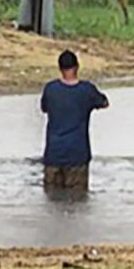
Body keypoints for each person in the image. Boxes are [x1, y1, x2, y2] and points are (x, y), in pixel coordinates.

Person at [40, 50, 109, 193]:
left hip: (53, 154)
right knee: (78, 199)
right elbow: (104, 103)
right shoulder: (87, 90)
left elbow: (44, 108)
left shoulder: (50, 89)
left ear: (60, 68)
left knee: (52, 199)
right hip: (77, 156)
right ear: (77, 67)